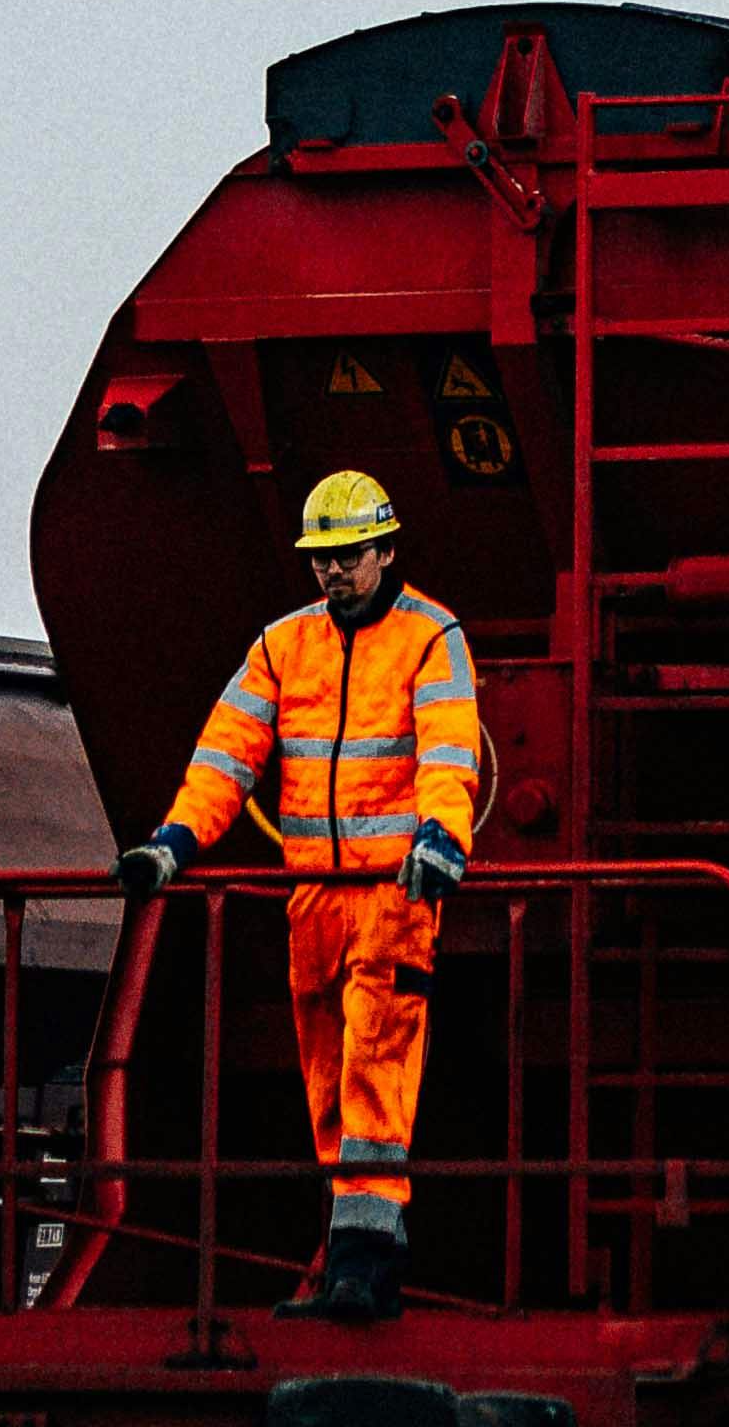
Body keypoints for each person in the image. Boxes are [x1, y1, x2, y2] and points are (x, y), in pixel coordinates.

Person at [119, 472, 486, 1325]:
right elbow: (227, 755)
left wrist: (441, 837)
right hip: (313, 895)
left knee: (373, 1065)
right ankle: (352, 1254)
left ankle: (362, 1263)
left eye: (348, 555)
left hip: (393, 892)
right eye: (321, 558)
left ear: (387, 550)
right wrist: (172, 844)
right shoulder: (285, 646)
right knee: (325, 1077)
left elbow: (448, 750)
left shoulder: (431, 639)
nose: (333, 572)